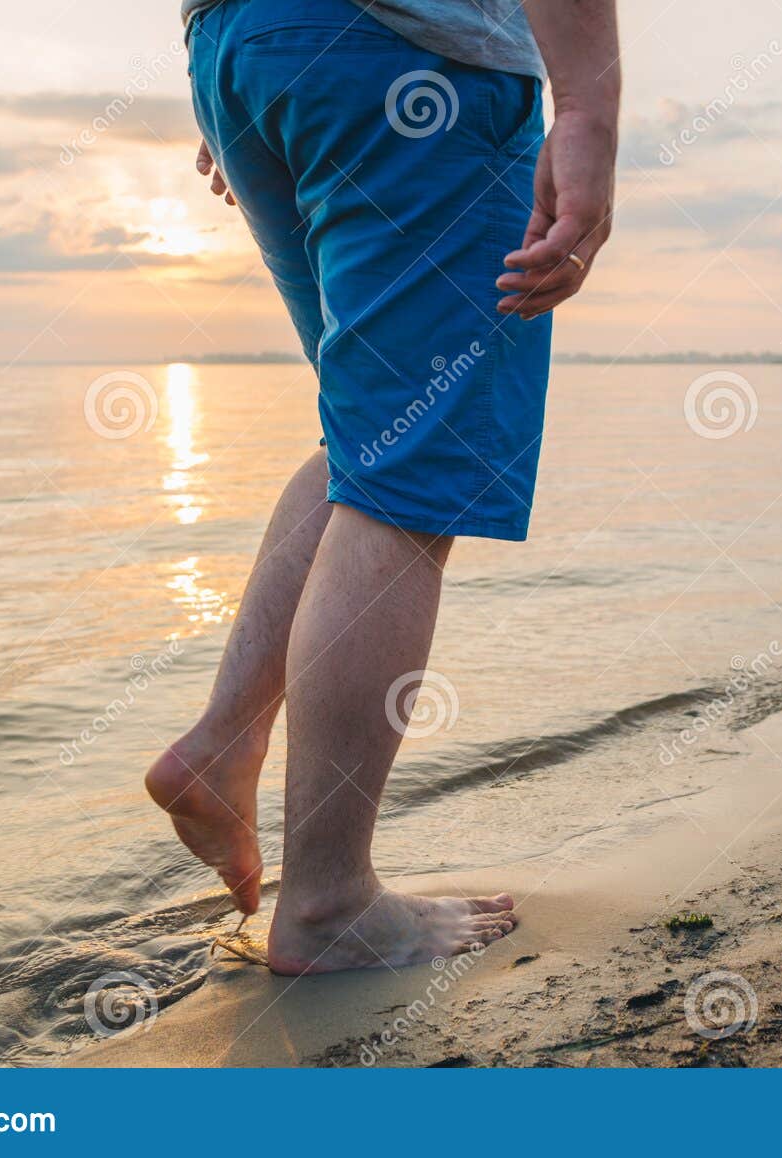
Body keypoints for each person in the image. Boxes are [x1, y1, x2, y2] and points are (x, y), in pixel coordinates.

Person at [144, 0, 620, 975]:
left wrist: (235, 69)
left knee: (372, 438)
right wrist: (584, 110)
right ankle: (328, 904)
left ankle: (225, 749)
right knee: (408, 478)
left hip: (240, 50)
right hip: (412, 58)